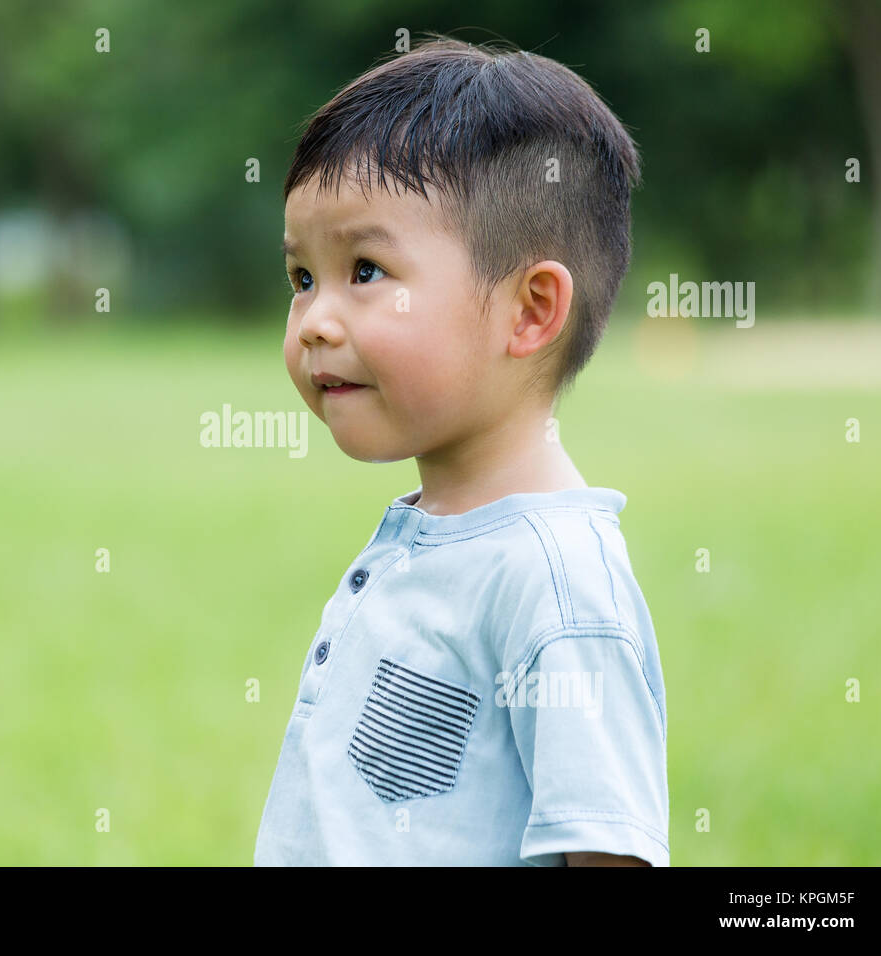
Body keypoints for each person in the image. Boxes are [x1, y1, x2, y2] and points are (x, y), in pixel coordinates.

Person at [255, 36, 668, 866]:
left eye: (365, 270)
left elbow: (607, 850)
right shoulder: (432, 538)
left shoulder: (556, 584)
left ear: (530, 311)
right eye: (303, 279)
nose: (316, 322)